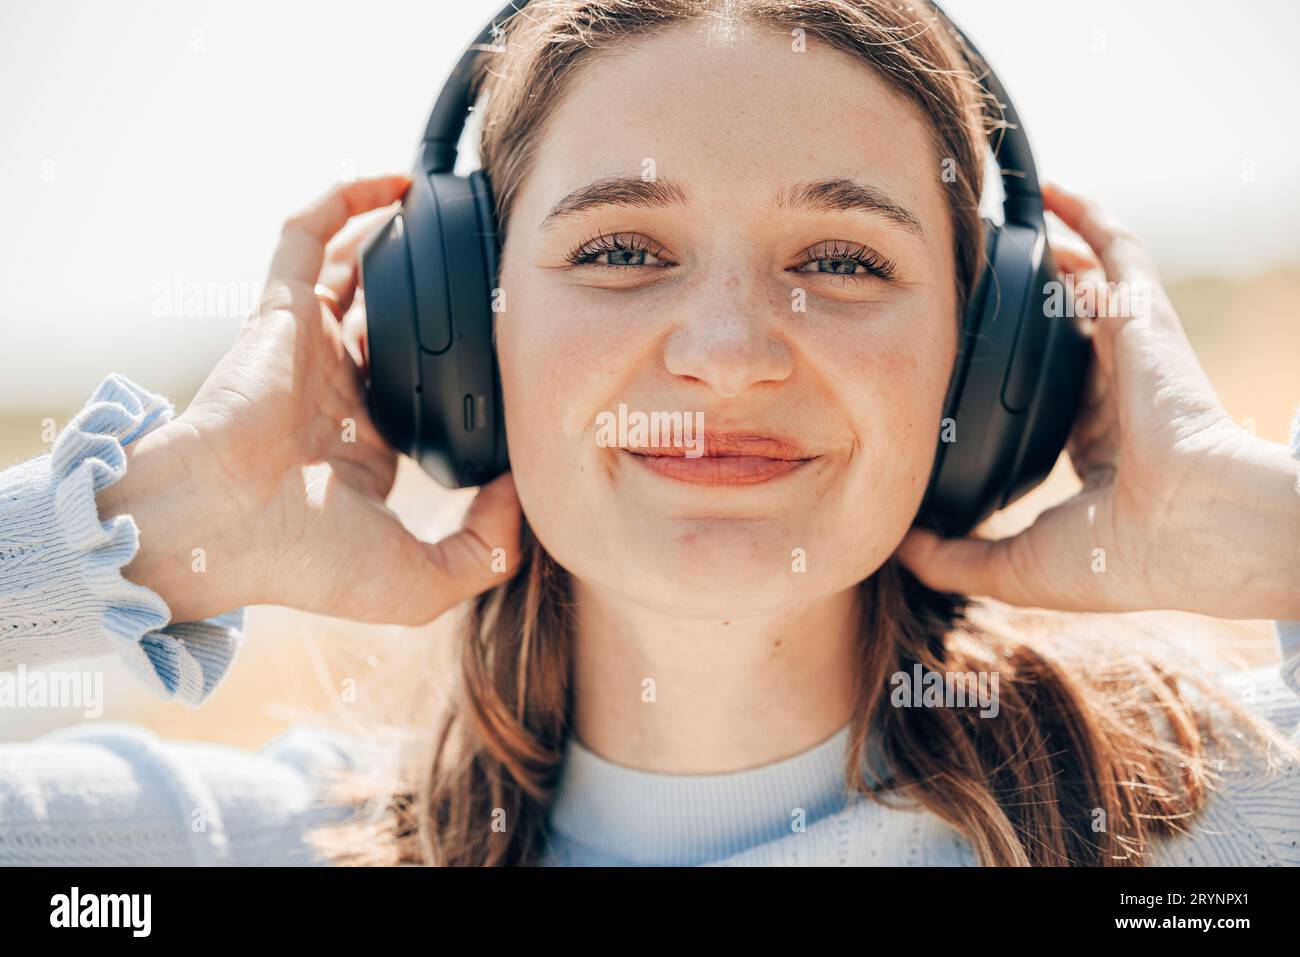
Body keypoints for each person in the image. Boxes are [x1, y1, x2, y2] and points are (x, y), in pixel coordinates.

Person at [2, 0, 1298, 867]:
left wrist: (1259, 533)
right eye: (623, 248)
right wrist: (152, 529)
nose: (729, 351)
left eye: (841, 259)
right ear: (452, 332)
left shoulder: (1209, 832)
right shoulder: (224, 854)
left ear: (991, 357)